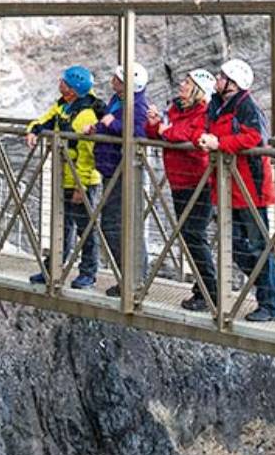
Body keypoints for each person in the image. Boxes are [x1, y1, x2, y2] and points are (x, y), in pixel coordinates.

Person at [195, 59, 275, 322]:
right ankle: (274, 286)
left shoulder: (246, 107)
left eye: (222, 76)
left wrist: (219, 142)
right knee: (236, 245)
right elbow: (207, 127)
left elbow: (254, 137)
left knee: (257, 245)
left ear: (232, 83)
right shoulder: (218, 105)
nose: (217, 80)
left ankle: (269, 303)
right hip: (229, 186)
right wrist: (205, 138)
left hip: (249, 187)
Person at [24, 66, 103, 289]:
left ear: (73, 89)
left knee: (85, 227)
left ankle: (88, 272)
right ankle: (54, 267)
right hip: (66, 175)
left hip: (82, 179)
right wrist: (33, 130)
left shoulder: (86, 115)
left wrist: (82, 185)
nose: (60, 83)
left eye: (64, 82)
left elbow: (88, 155)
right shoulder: (64, 105)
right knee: (64, 225)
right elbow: (44, 120)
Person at [147, 69, 216, 312]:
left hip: (199, 180)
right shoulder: (177, 109)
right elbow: (164, 132)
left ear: (197, 90)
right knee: (190, 236)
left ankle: (209, 291)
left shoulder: (205, 112)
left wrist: (168, 132)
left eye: (187, 83)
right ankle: (204, 289)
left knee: (194, 235)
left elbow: (196, 137)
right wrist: (155, 125)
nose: (182, 85)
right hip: (180, 180)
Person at [93, 62, 150, 298]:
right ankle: (130, 277)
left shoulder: (136, 105)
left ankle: (133, 278)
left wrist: (112, 124)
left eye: (117, 77)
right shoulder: (120, 100)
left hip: (122, 169)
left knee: (115, 224)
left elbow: (138, 132)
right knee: (115, 224)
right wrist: (97, 128)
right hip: (112, 167)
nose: (112, 79)